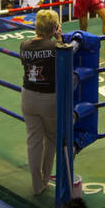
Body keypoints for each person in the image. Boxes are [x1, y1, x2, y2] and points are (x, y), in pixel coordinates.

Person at [19, 10, 67, 197]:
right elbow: (66, 58)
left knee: (34, 141)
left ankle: (36, 185)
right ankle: (45, 179)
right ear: (54, 27)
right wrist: (60, 37)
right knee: (52, 139)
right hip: (49, 98)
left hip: (28, 95)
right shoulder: (57, 47)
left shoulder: (24, 45)